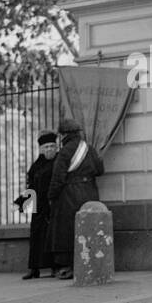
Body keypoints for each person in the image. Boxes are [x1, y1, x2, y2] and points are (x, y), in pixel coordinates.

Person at [46, 117, 105, 280]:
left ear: (64, 134)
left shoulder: (65, 152)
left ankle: (69, 267)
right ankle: (90, 262)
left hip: (69, 195)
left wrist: (51, 196)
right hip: (90, 193)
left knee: (67, 230)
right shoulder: (90, 148)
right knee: (89, 228)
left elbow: (57, 178)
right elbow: (100, 170)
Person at [18, 130, 58, 279]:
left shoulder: (58, 163)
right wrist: (23, 202)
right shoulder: (37, 165)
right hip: (38, 207)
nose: (49, 150)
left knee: (52, 237)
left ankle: (55, 267)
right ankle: (34, 269)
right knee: (36, 237)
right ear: (41, 149)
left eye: (52, 146)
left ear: (56, 147)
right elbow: (31, 184)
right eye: (46, 147)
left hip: (52, 206)